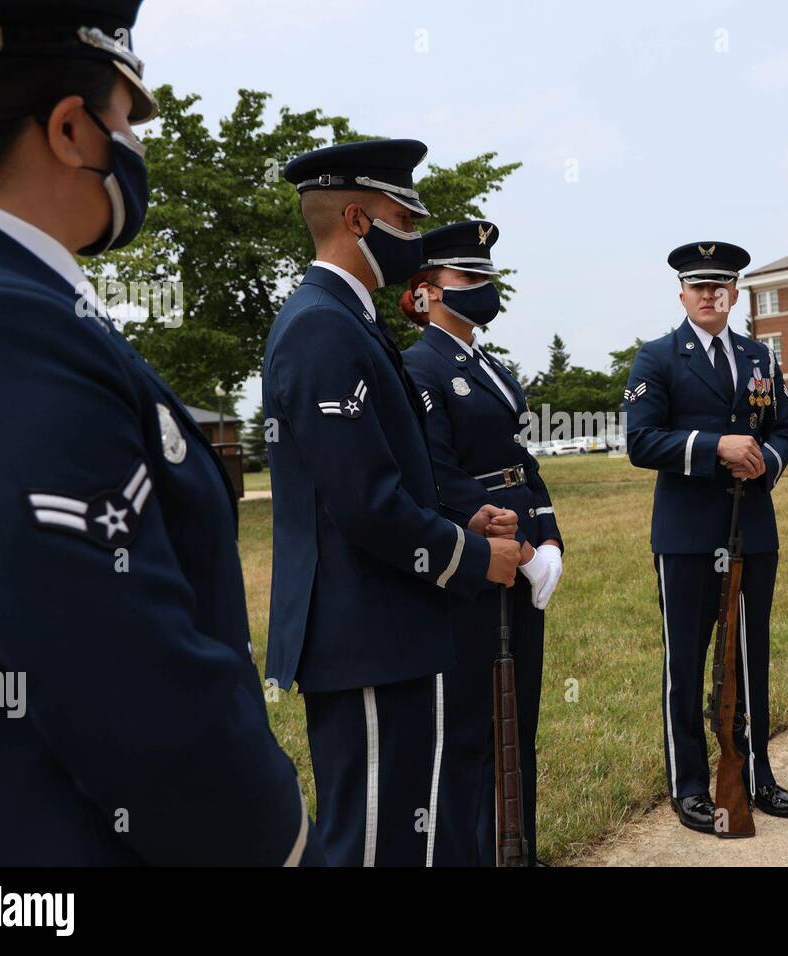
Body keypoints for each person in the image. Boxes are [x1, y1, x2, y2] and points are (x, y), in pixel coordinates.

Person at [0, 0, 319, 865]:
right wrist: (277, 838)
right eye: (129, 116)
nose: (138, 143)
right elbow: (131, 690)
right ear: (70, 130)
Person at [263, 142, 522, 867]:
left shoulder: (351, 319)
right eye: (404, 218)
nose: (415, 234)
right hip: (365, 635)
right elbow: (364, 504)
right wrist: (475, 558)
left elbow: (384, 476)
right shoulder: (321, 325)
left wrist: (457, 519)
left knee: (411, 836)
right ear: (357, 219)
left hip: (389, 626)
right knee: (377, 845)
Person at [624, 241, 788, 835]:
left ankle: (758, 775)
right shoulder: (656, 359)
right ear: (681, 293)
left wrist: (767, 460)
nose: (709, 294)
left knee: (751, 656)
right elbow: (642, 442)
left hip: (753, 528)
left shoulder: (760, 358)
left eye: (720, 285)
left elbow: (785, 428)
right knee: (688, 661)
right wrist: (714, 448)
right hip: (687, 535)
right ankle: (691, 785)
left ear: (735, 293)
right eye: (698, 285)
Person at [400, 220, 563, 866]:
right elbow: (439, 476)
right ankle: (475, 852)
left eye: (487, 278)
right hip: (477, 559)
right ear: (427, 292)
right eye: (467, 278)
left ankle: (517, 847)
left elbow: (523, 461)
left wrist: (548, 537)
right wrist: (516, 546)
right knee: (472, 722)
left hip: (521, 552)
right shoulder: (418, 366)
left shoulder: (490, 367)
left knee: (519, 712)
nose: (482, 289)